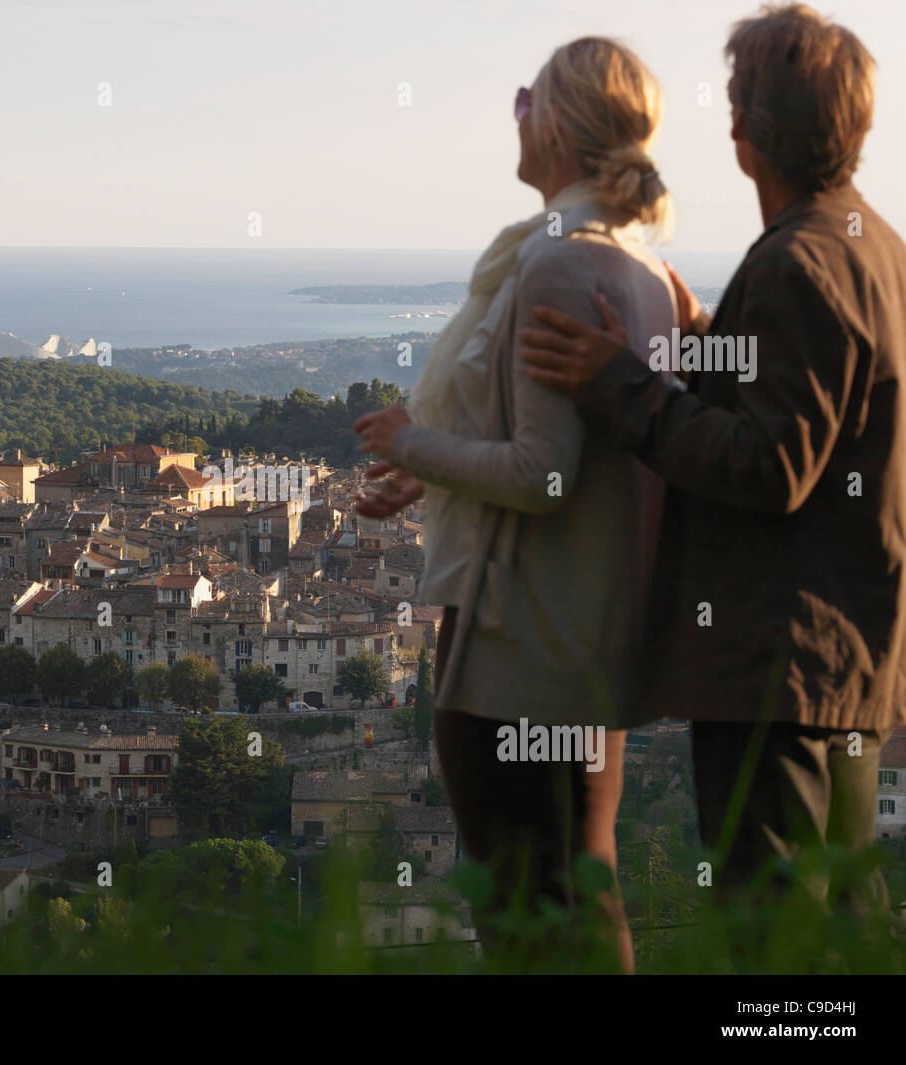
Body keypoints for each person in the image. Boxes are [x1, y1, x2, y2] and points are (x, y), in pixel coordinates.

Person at [519, 4, 905, 911]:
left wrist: (622, 385)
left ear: (744, 130)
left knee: (779, 938)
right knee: (839, 919)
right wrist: (701, 338)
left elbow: (773, 465)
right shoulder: (872, 249)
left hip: (778, 666)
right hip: (845, 656)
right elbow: (814, 405)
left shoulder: (799, 265)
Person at [353, 36, 677, 971]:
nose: (515, 102)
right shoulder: (638, 266)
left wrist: (413, 443)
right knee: (578, 884)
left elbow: (543, 474)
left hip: (521, 641)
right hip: (586, 636)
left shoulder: (557, 265)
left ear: (568, 124)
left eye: (531, 93)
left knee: (526, 902)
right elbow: (575, 449)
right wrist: (437, 472)